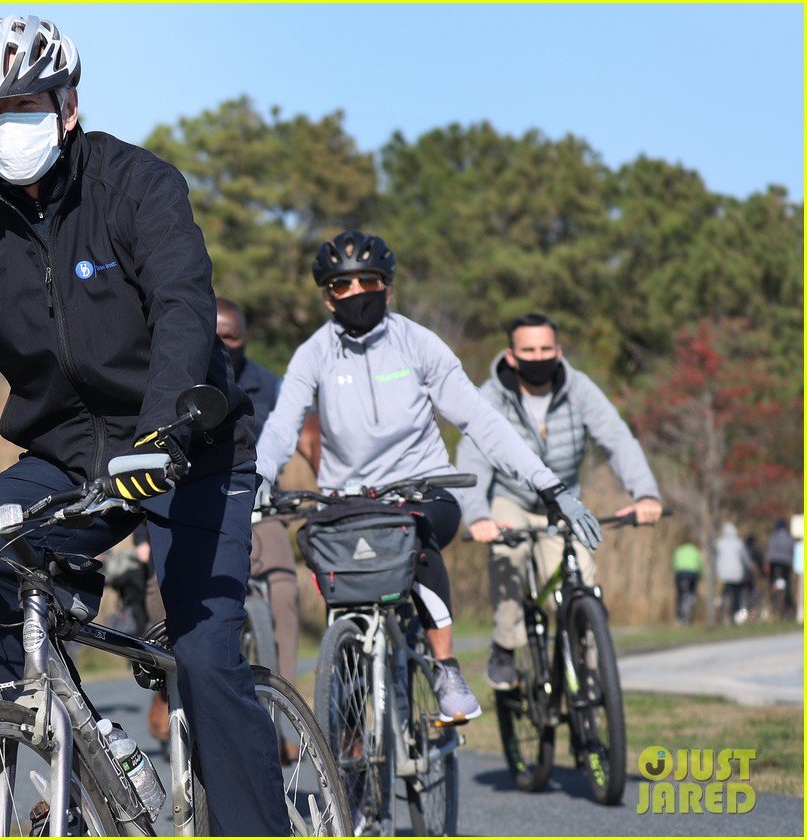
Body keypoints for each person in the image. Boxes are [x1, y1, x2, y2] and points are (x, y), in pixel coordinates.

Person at [0, 16, 287, 834]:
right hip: (69, 455)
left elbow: (184, 309)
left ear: (67, 103)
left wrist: (162, 434)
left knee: (207, 661)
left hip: (188, 446)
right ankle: (68, 730)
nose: (6, 125)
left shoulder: (138, 185)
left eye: (23, 104)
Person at [254, 230, 603, 723]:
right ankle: (349, 706)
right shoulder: (314, 354)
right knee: (329, 557)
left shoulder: (417, 344)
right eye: (341, 287)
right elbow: (282, 424)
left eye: (367, 282)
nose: (356, 295)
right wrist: (262, 474)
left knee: (415, 534)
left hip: (423, 489)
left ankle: (446, 669)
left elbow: (481, 421)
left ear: (388, 288)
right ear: (327, 298)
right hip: (347, 500)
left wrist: (549, 485)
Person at [456, 313, 663, 690]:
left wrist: (645, 494)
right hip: (511, 499)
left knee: (581, 577)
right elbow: (473, 457)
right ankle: (506, 645)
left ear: (559, 351)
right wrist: (478, 516)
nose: (538, 356)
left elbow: (617, 440)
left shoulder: (578, 389)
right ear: (512, 355)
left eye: (546, 348)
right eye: (529, 350)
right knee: (509, 558)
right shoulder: (491, 396)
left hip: (565, 504)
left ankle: (590, 671)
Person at [140, 298, 310, 751]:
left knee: (285, 591)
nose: (221, 344)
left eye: (231, 337)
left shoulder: (270, 386)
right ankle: (166, 683)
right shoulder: (169, 374)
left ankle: (283, 709)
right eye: (214, 336)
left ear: (245, 339)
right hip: (183, 506)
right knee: (159, 587)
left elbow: (298, 434)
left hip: (255, 505)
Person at [716, 522, 755, 624]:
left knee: (725, 592)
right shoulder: (739, 543)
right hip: (737, 574)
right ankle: (735, 614)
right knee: (737, 594)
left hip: (723, 574)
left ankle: (723, 609)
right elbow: (745, 558)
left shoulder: (719, 543)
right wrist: (751, 567)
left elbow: (715, 557)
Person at [764, 517, 795, 621]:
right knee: (787, 585)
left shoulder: (773, 537)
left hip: (773, 563)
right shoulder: (789, 538)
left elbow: (769, 552)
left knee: (772, 582)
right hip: (785, 564)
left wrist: (767, 564)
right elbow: (792, 552)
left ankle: (773, 600)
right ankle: (788, 606)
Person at [671, 540, 704, 624]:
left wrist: (675, 571)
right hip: (693, 574)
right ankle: (692, 598)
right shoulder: (695, 550)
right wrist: (702, 574)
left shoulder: (679, 550)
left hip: (681, 573)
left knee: (681, 594)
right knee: (692, 589)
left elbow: (673, 563)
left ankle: (679, 616)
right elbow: (700, 564)